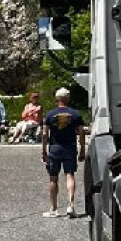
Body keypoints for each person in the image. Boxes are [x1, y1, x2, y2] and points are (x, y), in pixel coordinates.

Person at [41, 88, 86, 218]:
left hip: (55, 148)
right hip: (70, 147)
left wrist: (43, 151)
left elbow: (45, 134)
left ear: (57, 99)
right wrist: (82, 149)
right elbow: (81, 132)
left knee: (53, 177)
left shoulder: (50, 114)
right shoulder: (76, 114)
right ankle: (71, 205)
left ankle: (53, 209)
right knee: (70, 175)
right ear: (68, 99)